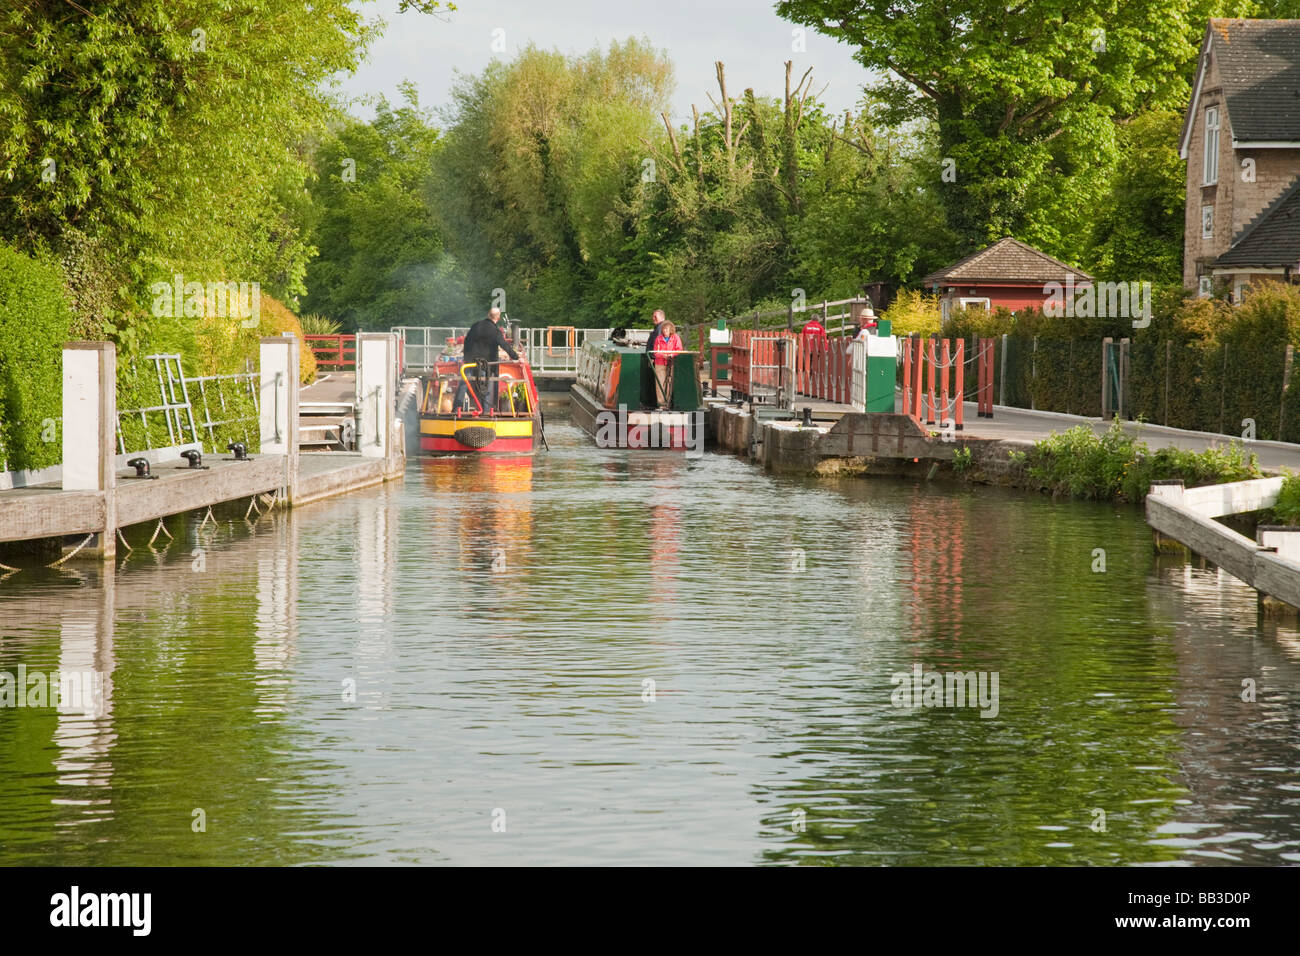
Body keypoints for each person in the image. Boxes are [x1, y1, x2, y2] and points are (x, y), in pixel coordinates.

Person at [456, 308, 519, 413]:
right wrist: (516, 357)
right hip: (486, 363)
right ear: (498, 318)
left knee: (464, 384)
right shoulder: (495, 331)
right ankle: (485, 411)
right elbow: (504, 345)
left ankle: (456, 408)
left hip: (470, 361)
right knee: (485, 386)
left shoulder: (475, 326)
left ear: (488, 315)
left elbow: (467, 341)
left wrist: (466, 356)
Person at [651, 320, 683, 410]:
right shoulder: (658, 338)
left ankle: (668, 403)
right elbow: (655, 352)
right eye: (664, 329)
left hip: (671, 363)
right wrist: (663, 355)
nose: (665, 331)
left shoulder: (676, 338)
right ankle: (661, 404)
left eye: (667, 329)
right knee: (660, 383)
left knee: (669, 382)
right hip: (660, 363)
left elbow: (679, 349)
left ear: (671, 330)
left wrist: (671, 355)